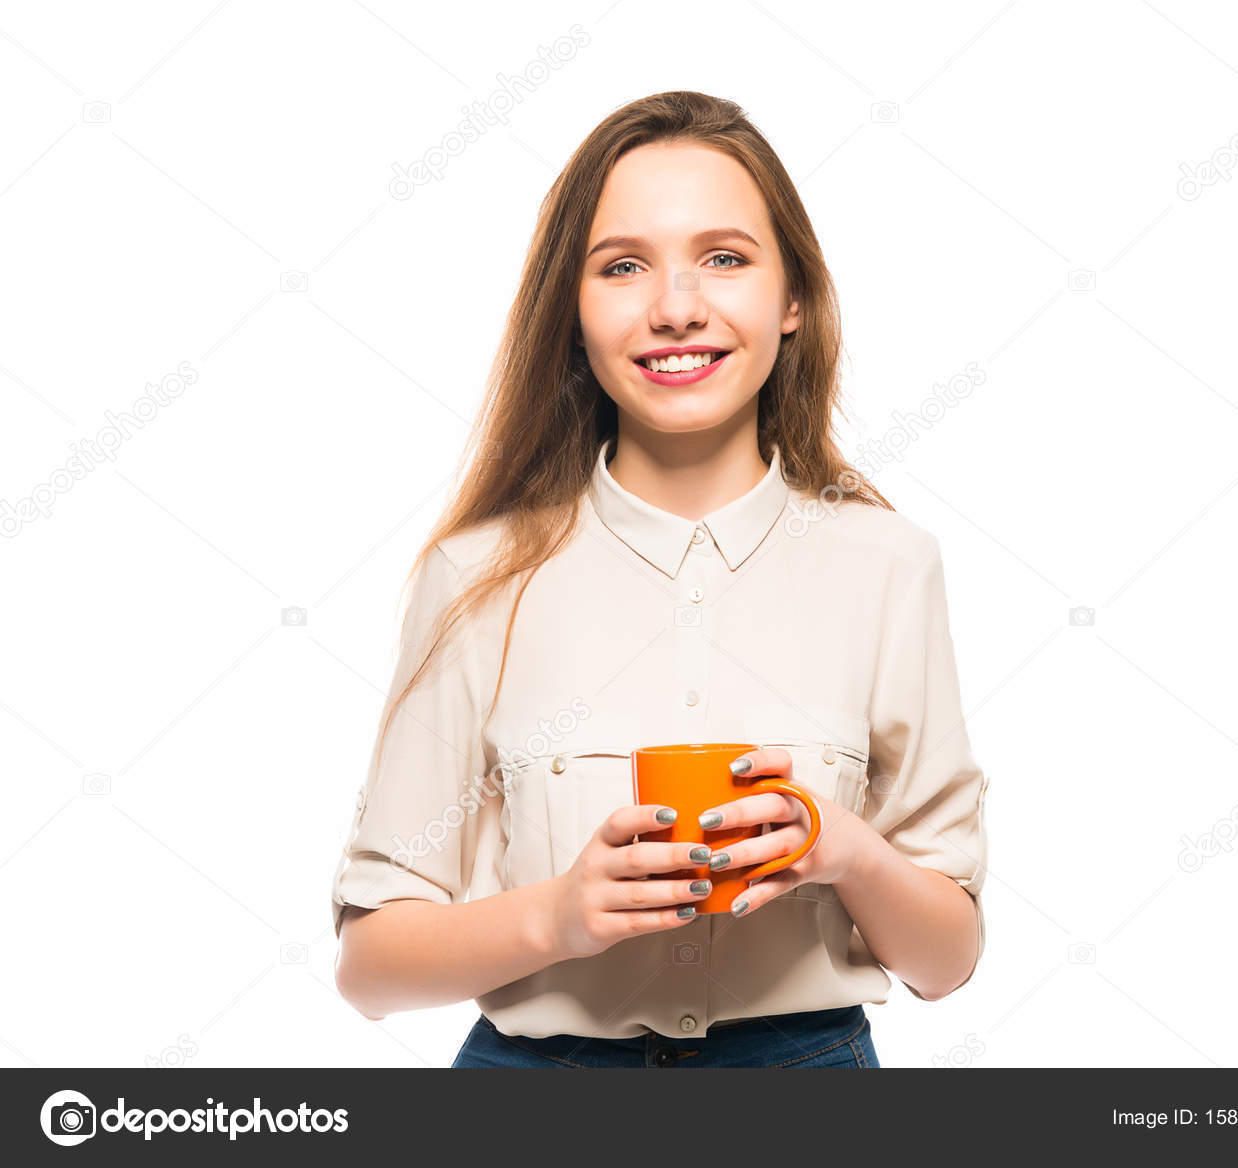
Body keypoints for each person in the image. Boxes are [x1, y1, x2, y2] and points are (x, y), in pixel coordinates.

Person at [331, 91, 988, 1069]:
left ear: (792, 297)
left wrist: (841, 849)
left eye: (724, 257)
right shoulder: (474, 576)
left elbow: (947, 960)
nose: (677, 306)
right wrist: (558, 916)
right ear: (572, 311)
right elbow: (369, 965)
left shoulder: (888, 566)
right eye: (623, 265)